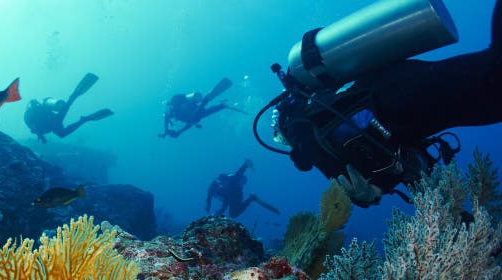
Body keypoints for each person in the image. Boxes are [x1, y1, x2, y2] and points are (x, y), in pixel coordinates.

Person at [263, 0, 502, 207]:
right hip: (402, 100)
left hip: (397, 99)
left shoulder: (300, 127)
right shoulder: (319, 118)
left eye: (279, 139)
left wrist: (367, 197)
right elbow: (381, 164)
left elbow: (346, 179)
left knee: (495, 69)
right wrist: (375, 190)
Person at [24, 73, 113, 143]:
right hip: (53, 120)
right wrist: (42, 137)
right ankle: (84, 119)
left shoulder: (33, 123)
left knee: (67, 107)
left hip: (50, 118)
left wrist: (41, 136)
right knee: (62, 132)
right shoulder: (35, 125)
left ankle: (76, 95)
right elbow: (39, 129)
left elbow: (36, 128)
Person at [160, 77, 243, 138]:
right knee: (199, 115)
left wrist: (166, 132)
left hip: (185, 107)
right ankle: (222, 105)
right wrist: (179, 132)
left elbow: (166, 120)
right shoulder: (178, 115)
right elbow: (190, 124)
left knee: (195, 117)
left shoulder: (169, 111)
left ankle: (206, 101)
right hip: (191, 107)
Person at [206, 159, 280, 218]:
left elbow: (224, 202)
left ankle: (251, 198)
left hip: (235, 194)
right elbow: (212, 194)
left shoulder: (230, 184)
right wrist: (209, 204)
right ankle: (251, 198)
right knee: (233, 214)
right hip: (231, 191)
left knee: (233, 214)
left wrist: (218, 211)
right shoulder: (217, 186)